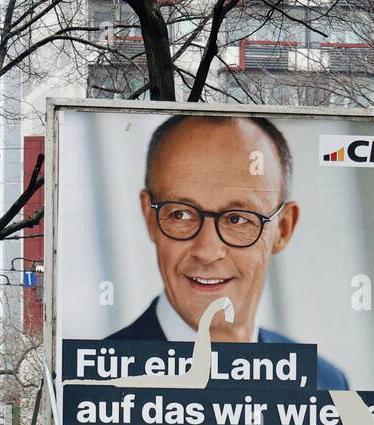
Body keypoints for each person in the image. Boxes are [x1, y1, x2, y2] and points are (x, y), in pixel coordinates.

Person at [109, 114, 349, 391]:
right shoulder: (90, 387)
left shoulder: (326, 384)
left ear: (283, 229)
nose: (208, 251)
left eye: (238, 219)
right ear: (149, 219)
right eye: (181, 214)